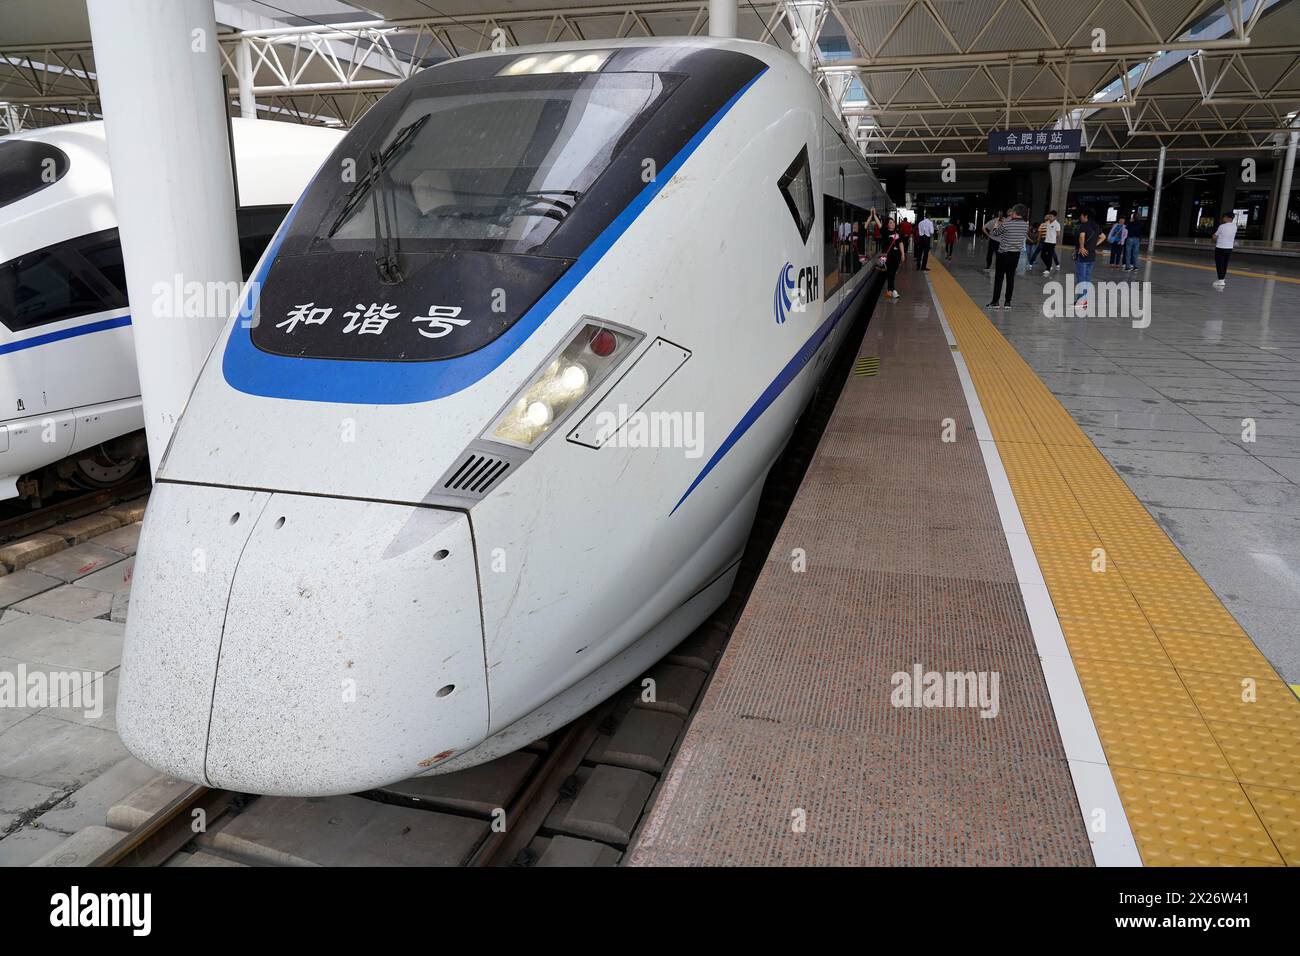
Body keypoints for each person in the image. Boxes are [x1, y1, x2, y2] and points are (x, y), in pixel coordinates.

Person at [983, 203, 1029, 309]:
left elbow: (994, 233)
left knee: (999, 278)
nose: (1011, 213)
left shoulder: (1007, 224)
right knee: (1010, 278)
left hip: (1003, 254)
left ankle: (995, 302)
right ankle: (1008, 302)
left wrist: (997, 223)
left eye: (1012, 211)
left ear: (1016, 213)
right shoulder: (1025, 225)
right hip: (1015, 254)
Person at [1073, 208, 1104, 312]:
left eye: (1081, 216)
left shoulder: (1084, 226)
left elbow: (1082, 236)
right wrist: (1094, 245)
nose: (1080, 218)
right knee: (1087, 279)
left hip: (1083, 256)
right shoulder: (1096, 226)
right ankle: (1083, 301)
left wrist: (1081, 247)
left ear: (1085, 216)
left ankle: (1082, 302)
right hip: (1092, 256)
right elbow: (1103, 237)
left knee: (1081, 279)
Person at [881, 216, 903, 299]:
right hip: (888, 256)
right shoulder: (885, 233)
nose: (892, 224)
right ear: (887, 225)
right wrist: (874, 215)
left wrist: (903, 254)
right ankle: (892, 290)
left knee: (893, 273)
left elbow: (900, 243)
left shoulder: (898, 233)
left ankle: (889, 290)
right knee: (890, 273)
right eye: (890, 223)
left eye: (893, 222)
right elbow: (880, 225)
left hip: (897, 256)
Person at [1212, 213, 1237, 288]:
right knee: (1225, 264)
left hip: (1220, 247)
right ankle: (1222, 279)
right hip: (1229, 248)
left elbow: (1215, 237)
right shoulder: (1235, 226)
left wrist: (1214, 237)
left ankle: (1221, 281)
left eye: (1224, 217)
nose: (1223, 219)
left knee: (1219, 264)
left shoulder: (1222, 226)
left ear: (1228, 218)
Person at [1040, 210, 1060, 275]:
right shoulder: (1048, 222)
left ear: (1055, 217)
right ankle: (1049, 265)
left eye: (1051, 216)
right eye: (1049, 216)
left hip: (1052, 242)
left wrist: (1054, 239)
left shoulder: (1057, 224)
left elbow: (1058, 234)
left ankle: (1048, 269)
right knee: (1042, 255)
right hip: (1046, 241)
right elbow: (1042, 226)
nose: (1050, 217)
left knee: (1049, 256)